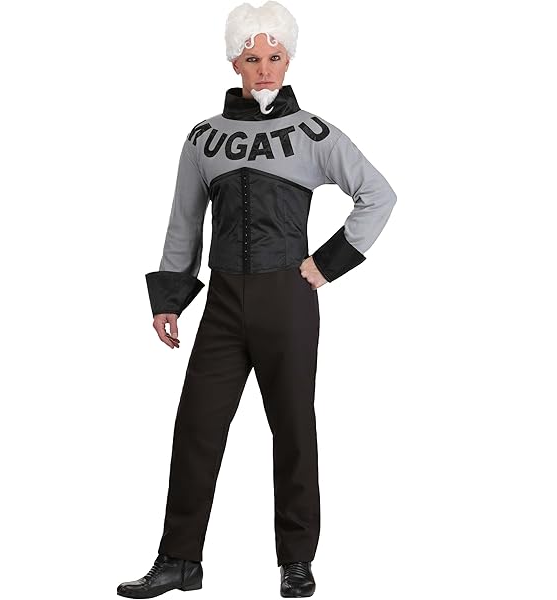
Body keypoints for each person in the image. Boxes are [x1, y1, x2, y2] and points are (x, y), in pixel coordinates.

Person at [117, 1, 397, 598]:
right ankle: (179, 560)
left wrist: (326, 264)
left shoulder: (313, 133)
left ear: (288, 60)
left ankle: (296, 561)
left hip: (287, 299)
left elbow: (378, 194)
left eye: (274, 57)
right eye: (252, 59)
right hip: (222, 304)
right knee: (196, 427)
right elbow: (183, 223)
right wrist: (169, 299)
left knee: (292, 428)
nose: (264, 69)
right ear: (234, 62)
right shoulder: (204, 138)